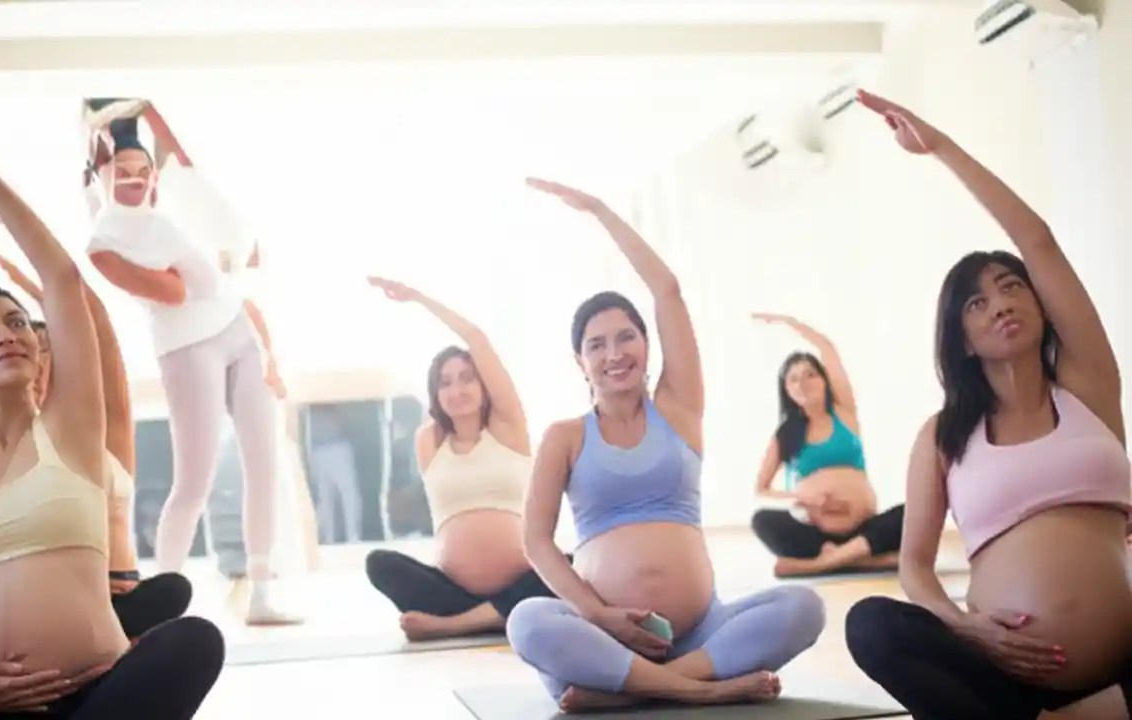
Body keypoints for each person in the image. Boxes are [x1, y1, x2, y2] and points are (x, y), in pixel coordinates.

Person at [0, 105, 223, 718]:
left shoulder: (70, 429)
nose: (8, 334)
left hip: (91, 694)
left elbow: (62, 280)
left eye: (17, 321)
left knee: (194, 640)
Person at [843, 89, 1132, 719]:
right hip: (1001, 669)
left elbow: (1040, 241)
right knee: (872, 626)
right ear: (963, 339)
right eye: (977, 302)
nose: (1000, 302)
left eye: (1010, 287)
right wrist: (964, 625)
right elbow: (916, 568)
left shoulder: (1089, 387)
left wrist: (941, 149)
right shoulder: (944, 436)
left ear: (1038, 305)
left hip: (1122, 659)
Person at [505, 178, 825, 713]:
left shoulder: (678, 408)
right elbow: (536, 542)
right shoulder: (565, 436)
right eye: (596, 344)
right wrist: (595, 613)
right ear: (579, 361)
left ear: (647, 344)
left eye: (626, 336)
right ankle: (703, 691)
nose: (614, 353)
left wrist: (601, 210)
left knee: (804, 607)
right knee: (527, 622)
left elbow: (667, 291)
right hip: (607, 639)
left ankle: (640, 690)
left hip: (702, 633)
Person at [0, 253, 192, 642]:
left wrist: (55, 290)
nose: (40, 362)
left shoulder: (88, 433)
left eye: (48, 352)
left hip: (112, 598)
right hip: (16, 605)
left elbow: (104, 351)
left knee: (172, 593)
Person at [81, 98, 302, 624]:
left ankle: (263, 594)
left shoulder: (170, 215)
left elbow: (210, 279)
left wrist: (145, 108)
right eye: (121, 173)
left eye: (142, 170)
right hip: (187, 350)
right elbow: (182, 291)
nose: (134, 179)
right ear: (102, 178)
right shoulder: (104, 241)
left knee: (264, 462)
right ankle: (163, 607)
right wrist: (201, 266)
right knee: (194, 480)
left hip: (237, 332)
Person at [363, 276, 558, 641]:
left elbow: (477, 339)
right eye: (445, 382)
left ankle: (454, 626)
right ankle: (493, 616)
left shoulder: (509, 428)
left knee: (573, 569)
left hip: (523, 581)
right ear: (435, 394)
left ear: (484, 387)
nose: (457, 389)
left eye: (467, 378)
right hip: (453, 592)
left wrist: (418, 298)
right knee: (379, 564)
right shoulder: (429, 440)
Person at [749, 314, 904, 577]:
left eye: (811, 375)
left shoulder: (844, 412)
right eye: (794, 379)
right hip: (817, 533)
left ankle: (822, 564)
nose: (804, 383)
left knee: (909, 514)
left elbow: (827, 348)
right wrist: (800, 496)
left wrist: (789, 323)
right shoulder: (785, 435)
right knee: (762, 521)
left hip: (863, 527)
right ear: (786, 389)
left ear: (825, 380)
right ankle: (863, 560)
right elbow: (761, 488)